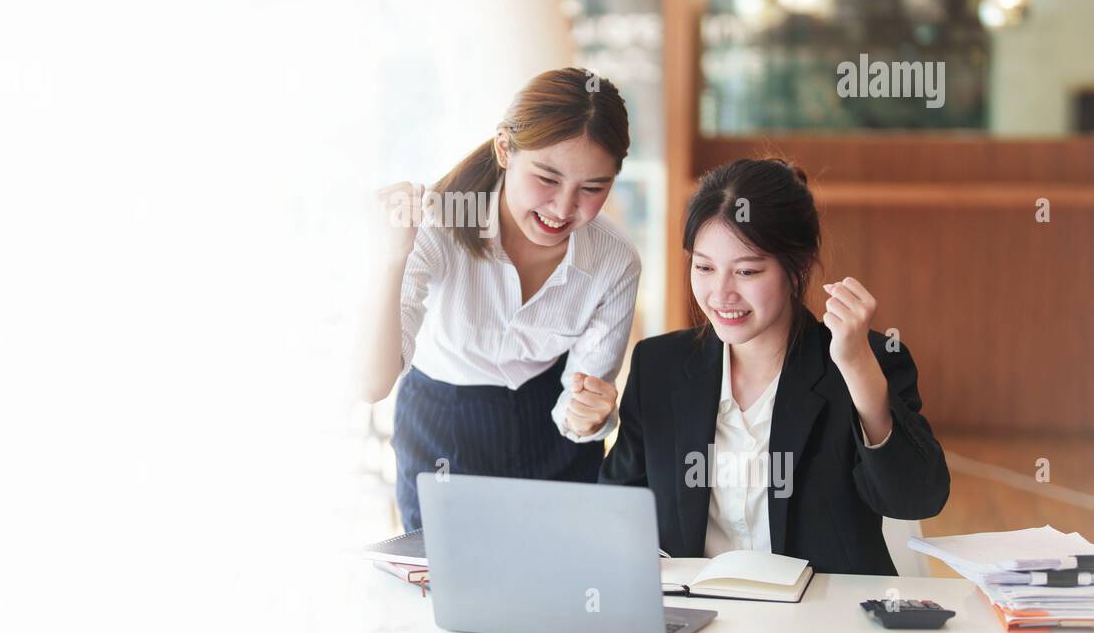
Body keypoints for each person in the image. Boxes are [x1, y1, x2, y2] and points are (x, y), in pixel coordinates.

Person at [599, 157, 950, 574]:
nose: (720, 293)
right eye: (704, 267)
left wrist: (858, 371)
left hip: (821, 621)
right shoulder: (660, 366)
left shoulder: (867, 360)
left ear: (797, 268)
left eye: (747, 271)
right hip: (701, 618)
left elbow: (916, 497)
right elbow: (617, 508)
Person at [360, 68, 641, 532]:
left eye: (593, 188)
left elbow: (579, 405)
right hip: (441, 426)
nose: (563, 208)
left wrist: (590, 415)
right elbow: (370, 385)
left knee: (564, 588)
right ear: (505, 148)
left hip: (552, 435)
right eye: (548, 178)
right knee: (450, 592)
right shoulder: (436, 223)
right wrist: (390, 259)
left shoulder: (615, 260)